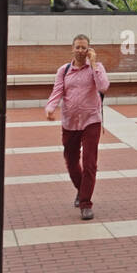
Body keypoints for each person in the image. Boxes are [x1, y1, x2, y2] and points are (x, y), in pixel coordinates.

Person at [45, 34, 109, 220]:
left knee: (90, 163)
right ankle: (81, 191)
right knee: (71, 162)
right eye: (78, 47)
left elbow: (103, 87)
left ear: (89, 49)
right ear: (72, 49)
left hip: (91, 121)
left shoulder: (96, 68)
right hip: (70, 122)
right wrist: (50, 108)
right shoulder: (63, 71)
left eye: (84, 47)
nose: (81, 51)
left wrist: (95, 63)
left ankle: (85, 204)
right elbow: (57, 91)